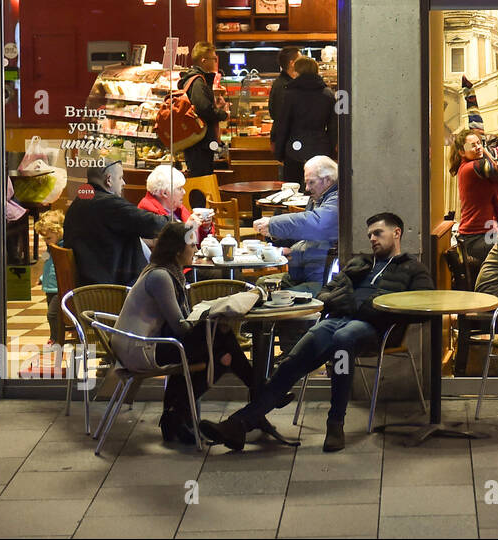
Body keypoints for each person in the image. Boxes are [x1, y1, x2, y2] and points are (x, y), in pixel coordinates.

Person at [200, 212, 433, 453]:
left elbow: (424, 308)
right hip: (337, 322)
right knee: (294, 359)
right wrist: (342, 301)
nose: (372, 239)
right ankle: (238, 424)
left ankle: (335, 424)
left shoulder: (412, 269)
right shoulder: (359, 264)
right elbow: (325, 293)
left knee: (343, 341)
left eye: (378, 233)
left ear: (396, 233)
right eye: (369, 235)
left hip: (373, 329)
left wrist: (378, 309)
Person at [114, 222, 254, 444]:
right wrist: (210, 320)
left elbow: (179, 325)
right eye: (192, 244)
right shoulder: (161, 276)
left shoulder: (168, 272)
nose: (196, 249)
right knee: (221, 338)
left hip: (151, 343)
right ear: (178, 250)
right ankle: (260, 389)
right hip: (141, 349)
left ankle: (175, 417)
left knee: (220, 351)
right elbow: (180, 326)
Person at [63, 159, 175, 286]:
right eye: (121, 178)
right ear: (109, 179)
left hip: (87, 284)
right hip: (114, 288)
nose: (124, 183)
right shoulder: (108, 204)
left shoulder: (79, 202)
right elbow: (156, 224)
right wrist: (178, 221)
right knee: (170, 282)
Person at [252, 155, 339, 293]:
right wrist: (275, 237)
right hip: (302, 272)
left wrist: (273, 225)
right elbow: (303, 234)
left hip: (322, 281)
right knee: (262, 285)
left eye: (311, 182)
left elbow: (316, 224)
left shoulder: (338, 199)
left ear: (328, 180)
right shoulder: (317, 197)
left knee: (272, 296)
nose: (307, 188)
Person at [450, 129, 498, 277]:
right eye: (472, 146)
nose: (478, 147)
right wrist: (493, 156)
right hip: (474, 239)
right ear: (461, 152)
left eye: (480, 143)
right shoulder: (471, 168)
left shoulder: (475, 166)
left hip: (488, 232)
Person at [272, 55, 337, 185]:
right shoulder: (327, 94)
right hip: (320, 149)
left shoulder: (289, 95)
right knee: (320, 190)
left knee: (292, 191)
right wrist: (332, 152)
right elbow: (334, 127)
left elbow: (282, 125)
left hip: (294, 150)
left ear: (298, 72)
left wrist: (279, 153)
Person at [20, 210, 66, 378]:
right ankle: (54, 337)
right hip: (49, 285)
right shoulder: (50, 248)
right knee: (52, 314)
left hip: (58, 287)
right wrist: (40, 277)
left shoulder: (63, 247)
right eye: (44, 238)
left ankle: (56, 339)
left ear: (58, 232)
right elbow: (47, 263)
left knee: (52, 314)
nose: (46, 241)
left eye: (48, 237)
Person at [180, 42, 230, 178]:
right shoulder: (198, 82)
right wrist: (222, 114)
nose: (216, 61)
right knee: (201, 182)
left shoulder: (197, 79)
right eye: (213, 58)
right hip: (199, 144)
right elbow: (203, 109)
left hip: (198, 142)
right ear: (203, 60)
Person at [268, 45, 302, 131]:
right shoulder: (283, 85)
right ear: (292, 63)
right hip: (285, 136)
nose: (302, 64)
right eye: (300, 60)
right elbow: (281, 115)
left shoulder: (288, 82)